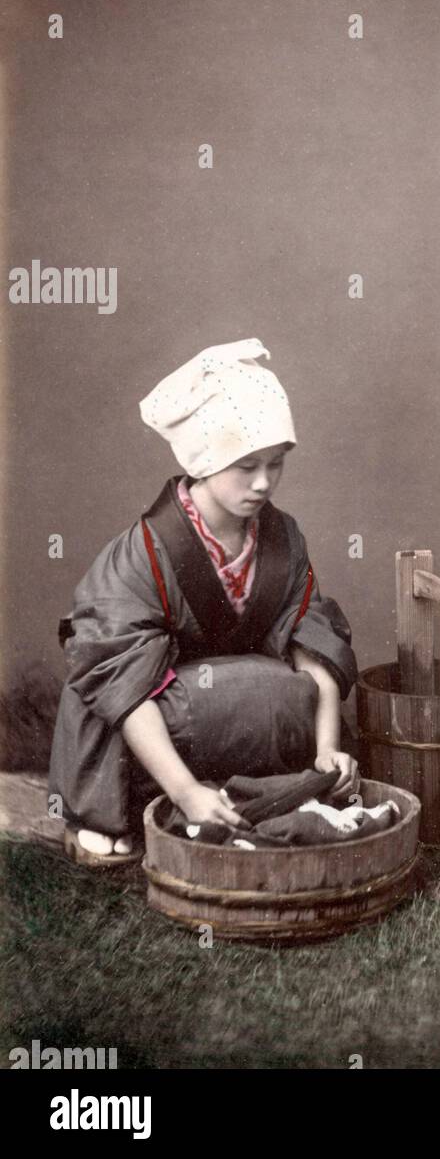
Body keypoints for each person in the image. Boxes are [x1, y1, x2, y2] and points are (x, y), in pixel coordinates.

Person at [49, 338, 360, 864]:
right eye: (245, 465)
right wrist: (185, 790)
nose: (263, 483)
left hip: (233, 705)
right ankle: (156, 797)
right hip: (150, 707)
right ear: (202, 459)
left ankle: (241, 787)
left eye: (275, 463)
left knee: (294, 694)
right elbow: (121, 679)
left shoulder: (283, 537)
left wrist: (326, 747)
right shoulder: (144, 552)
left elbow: (311, 638)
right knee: (102, 705)